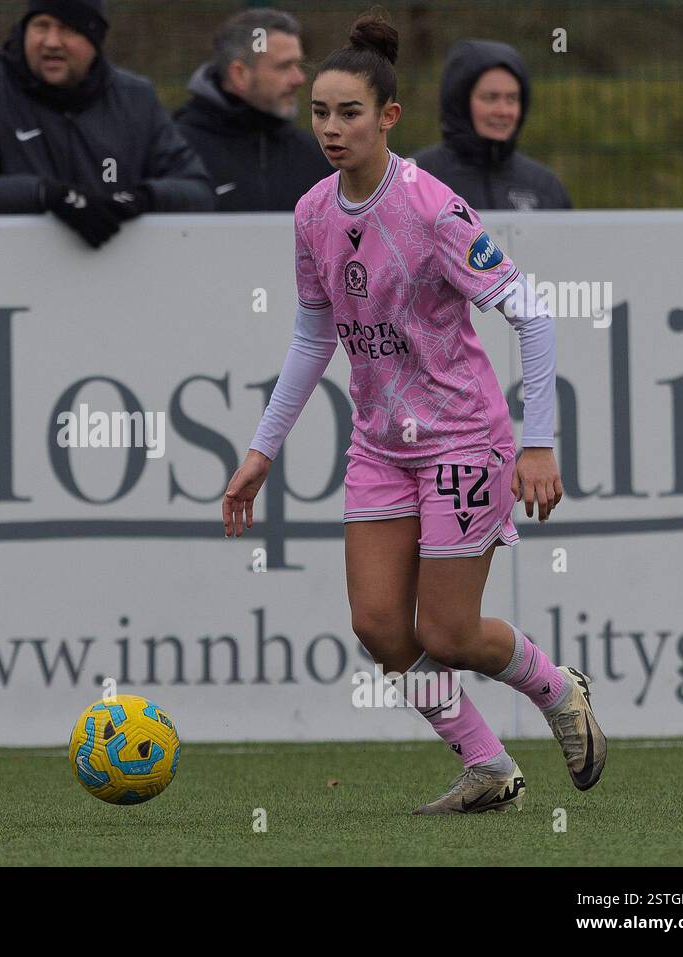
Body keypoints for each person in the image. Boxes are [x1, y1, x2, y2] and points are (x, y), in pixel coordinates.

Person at [221, 13, 606, 814]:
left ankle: (557, 687)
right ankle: (488, 765)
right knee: (381, 627)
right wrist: (263, 449)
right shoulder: (312, 214)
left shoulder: (433, 209)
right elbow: (312, 334)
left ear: (388, 116)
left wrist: (539, 443)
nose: (330, 128)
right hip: (379, 446)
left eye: (349, 112)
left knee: (451, 633)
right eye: (321, 112)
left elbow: (532, 312)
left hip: (464, 437)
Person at [0, 0, 213, 248]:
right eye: (41, 25)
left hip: (122, 282)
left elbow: (198, 191)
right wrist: (47, 195)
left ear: (95, 40)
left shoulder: (136, 98)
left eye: (68, 28)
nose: (52, 42)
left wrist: (140, 199)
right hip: (5, 284)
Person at [173, 8, 326, 211]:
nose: (299, 79)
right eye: (284, 66)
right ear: (240, 74)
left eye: (298, 64)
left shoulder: (315, 155)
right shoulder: (175, 152)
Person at [413, 39, 570, 210]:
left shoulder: (545, 186)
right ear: (459, 102)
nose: (503, 111)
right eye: (490, 98)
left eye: (512, 99)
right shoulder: (417, 179)